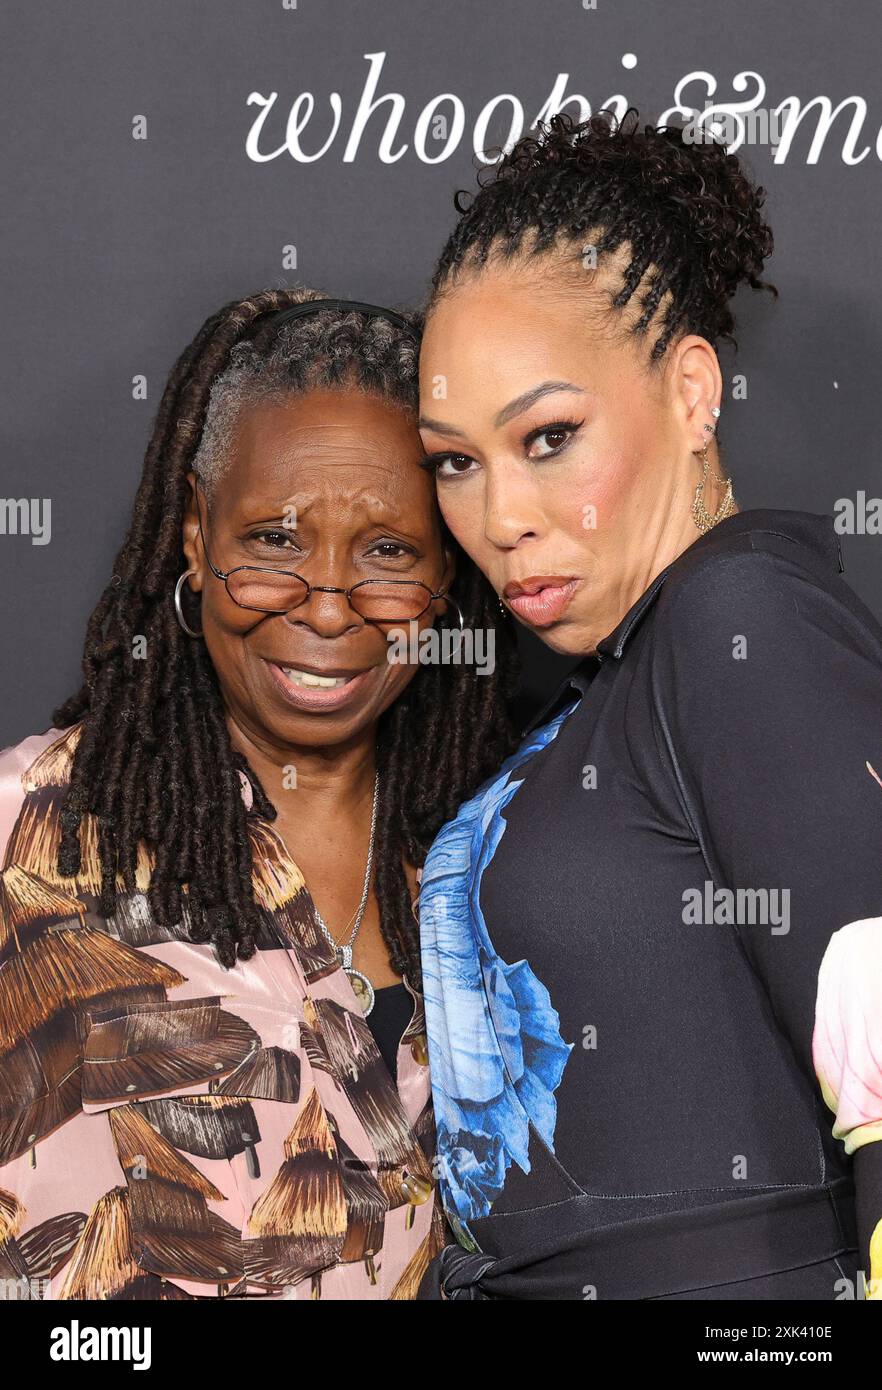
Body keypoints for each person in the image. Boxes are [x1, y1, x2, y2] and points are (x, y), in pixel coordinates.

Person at [413, 111, 882, 1300]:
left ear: (689, 390)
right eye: (455, 460)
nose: (500, 515)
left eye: (550, 437)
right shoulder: (623, 664)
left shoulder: (746, 621)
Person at [0, 287, 517, 1300]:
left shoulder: (509, 859)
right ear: (196, 534)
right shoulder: (25, 833)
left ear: (446, 574)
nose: (327, 603)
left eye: (387, 552)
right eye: (274, 541)